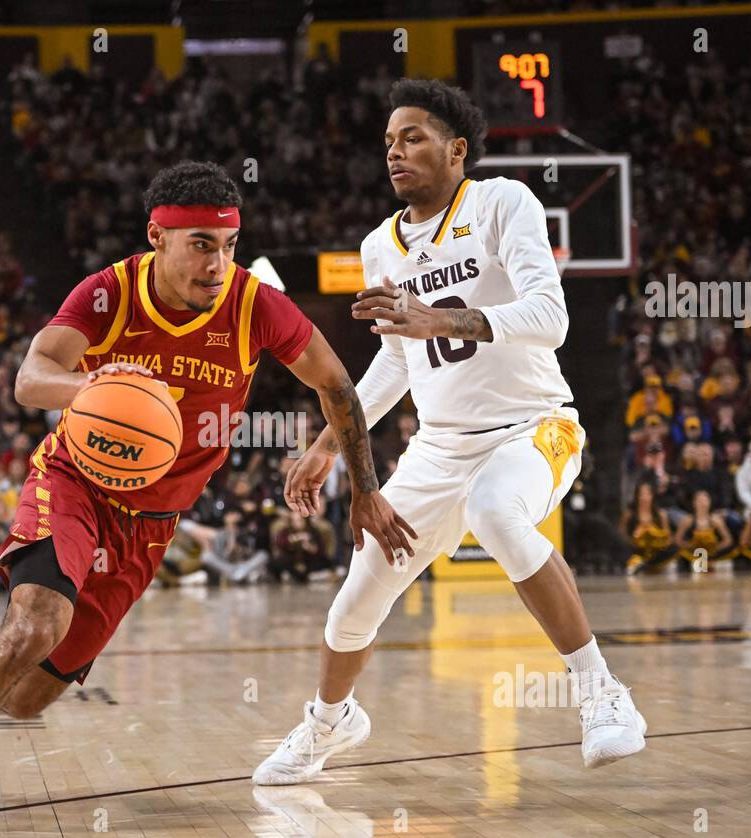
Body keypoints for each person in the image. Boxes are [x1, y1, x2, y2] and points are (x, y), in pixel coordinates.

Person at [0, 159, 412, 838]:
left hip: (151, 523)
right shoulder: (108, 294)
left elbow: (337, 387)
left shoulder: (255, 306)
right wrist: (90, 390)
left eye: (229, 245)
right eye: (201, 245)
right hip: (75, 483)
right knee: (34, 629)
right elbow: (31, 379)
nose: (217, 264)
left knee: (29, 695)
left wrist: (362, 486)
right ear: (158, 237)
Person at [254, 79, 646, 788]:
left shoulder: (503, 203)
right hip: (438, 447)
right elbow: (396, 362)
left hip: (534, 425)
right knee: (355, 603)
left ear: (457, 148)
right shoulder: (381, 245)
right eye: (389, 142)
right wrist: (322, 447)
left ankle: (601, 692)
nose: (396, 153)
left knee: (497, 510)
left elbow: (549, 317)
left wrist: (444, 319)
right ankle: (328, 722)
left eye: (413, 138)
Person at [674, 489, 735, 570]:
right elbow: (677, 540)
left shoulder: (716, 520)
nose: (702, 503)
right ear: (694, 503)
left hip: (713, 553)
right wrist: (690, 546)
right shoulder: (688, 520)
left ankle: (710, 563)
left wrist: (715, 548)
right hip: (694, 552)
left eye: (705, 500)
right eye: (699, 500)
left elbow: (728, 540)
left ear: (709, 502)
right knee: (679, 552)